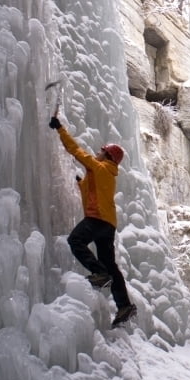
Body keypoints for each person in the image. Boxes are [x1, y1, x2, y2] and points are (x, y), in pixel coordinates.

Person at [49, 114, 137, 328]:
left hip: (97, 219)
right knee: (111, 264)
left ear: (107, 156)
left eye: (101, 151)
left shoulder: (99, 168)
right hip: (108, 224)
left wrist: (60, 128)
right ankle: (124, 305)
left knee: (75, 241)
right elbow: (92, 190)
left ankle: (99, 273)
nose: (97, 153)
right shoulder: (107, 173)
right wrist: (79, 182)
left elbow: (76, 151)